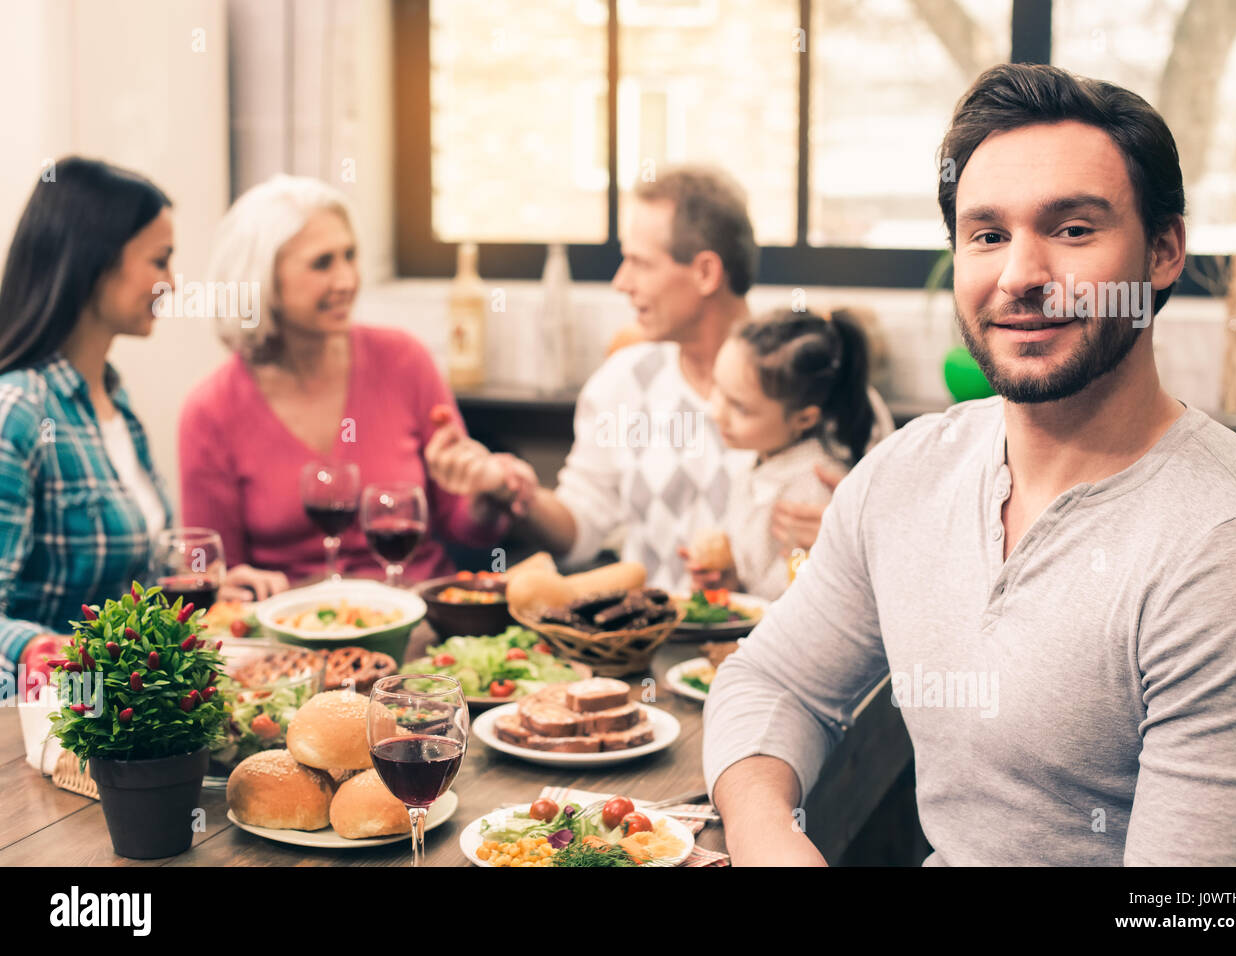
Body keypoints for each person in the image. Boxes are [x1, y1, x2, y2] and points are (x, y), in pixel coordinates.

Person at [703, 64, 1236, 866]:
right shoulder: (907, 471)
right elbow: (775, 681)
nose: (1020, 276)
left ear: (1163, 252)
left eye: (1073, 230)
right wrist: (765, 832)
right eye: (988, 235)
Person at [427, 166, 891, 589]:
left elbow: (901, 562)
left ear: (706, 272)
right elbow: (579, 533)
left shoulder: (837, 397)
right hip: (650, 653)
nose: (621, 282)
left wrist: (847, 538)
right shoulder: (622, 384)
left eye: (640, 263)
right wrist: (513, 489)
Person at [0, 158, 282, 689]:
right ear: (95, 261)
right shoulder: (18, 410)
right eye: (159, 261)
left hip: (134, 711)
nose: (171, 283)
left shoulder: (116, 401)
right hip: (69, 726)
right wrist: (50, 651)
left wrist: (207, 590)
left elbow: (125, 586)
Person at [179, 175, 532, 584]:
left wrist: (485, 495)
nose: (347, 280)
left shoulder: (404, 360)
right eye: (322, 263)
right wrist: (228, 584)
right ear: (261, 278)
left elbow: (461, 525)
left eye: (350, 256)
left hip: (418, 610)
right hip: (293, 633)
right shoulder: (211, 411)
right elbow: (210, 571)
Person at [685, 308, 876, 600]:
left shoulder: (815, 489)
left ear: (804, 419)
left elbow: (800, 596)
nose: (715, 412)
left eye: (740, 407)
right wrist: (731, 581)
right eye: (718, 389)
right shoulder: (757, 461)